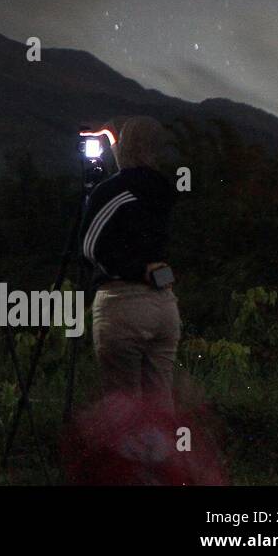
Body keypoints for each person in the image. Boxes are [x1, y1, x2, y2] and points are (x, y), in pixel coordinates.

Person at [78, 116, 180, 404]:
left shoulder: (112, 191)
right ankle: (162, 449)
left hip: (124, 304)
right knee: (159, 404)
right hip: (164, 306)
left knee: (125, 407)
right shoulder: (162, 189)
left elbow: (88, 247)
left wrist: (132, 269)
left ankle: (126, 450)